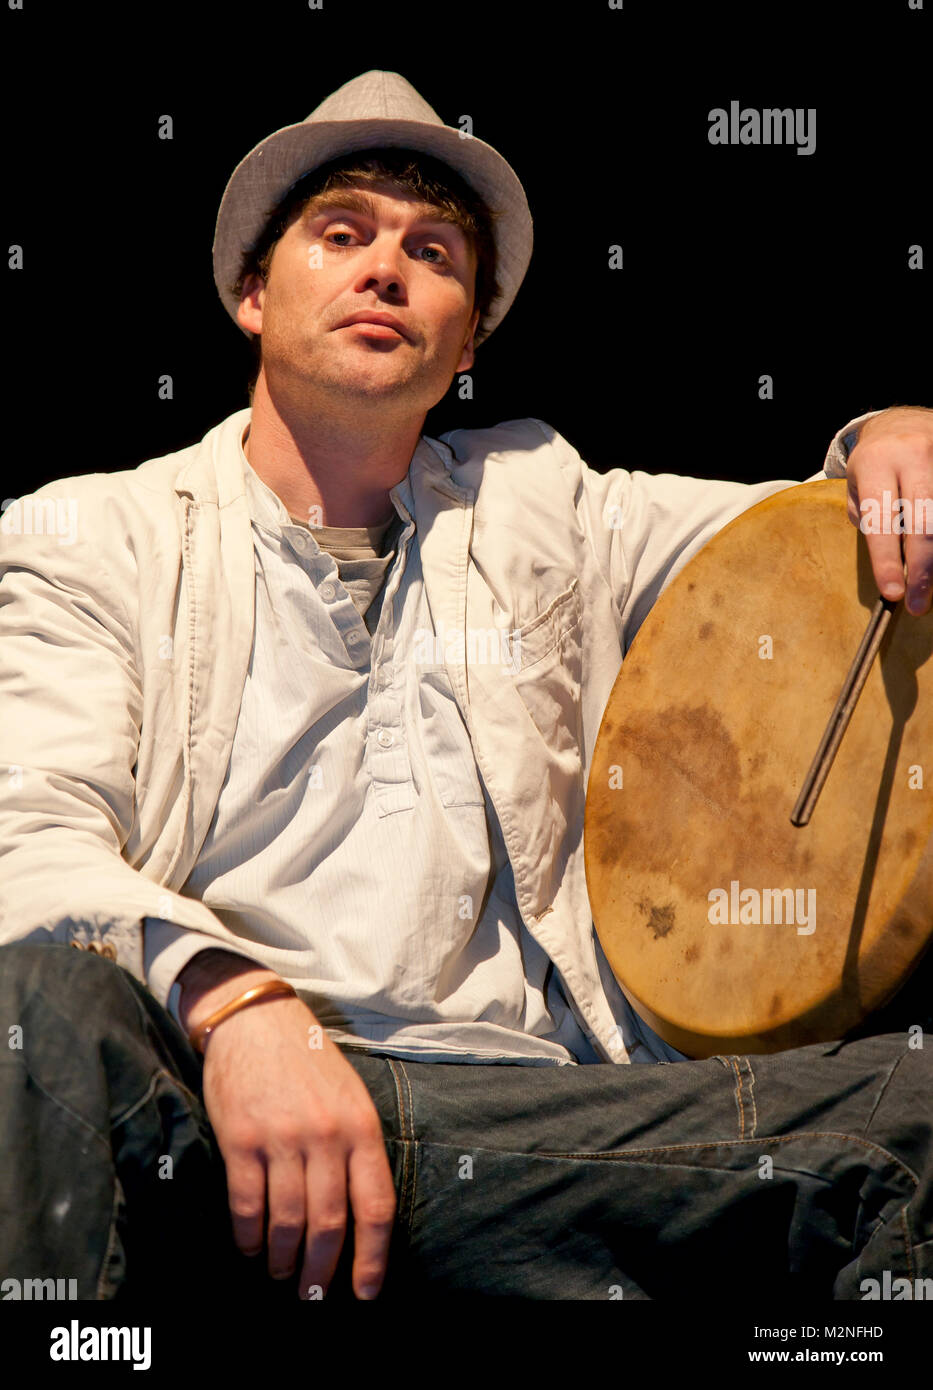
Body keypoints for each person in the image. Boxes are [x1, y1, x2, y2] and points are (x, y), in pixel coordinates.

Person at [0, 69, 930, 1305]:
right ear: (250, 292)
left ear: (470, 335)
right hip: (222, 1104)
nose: (386, 268)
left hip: (540, 1123)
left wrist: (889, 433)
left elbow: (815, 536)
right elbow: (26, 837)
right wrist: (243, 1012)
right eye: (343, 236)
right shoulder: (92, 533)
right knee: (36, 1009)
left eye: (432, 252)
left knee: (911, 1104)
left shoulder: (551, 504)